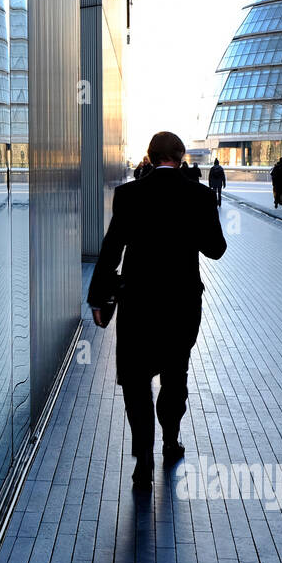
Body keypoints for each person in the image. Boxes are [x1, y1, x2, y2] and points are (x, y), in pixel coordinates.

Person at [87, 131, 227, 487]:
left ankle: (143, 457)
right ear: (180, 157)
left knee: (135, 380)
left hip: (139, 304)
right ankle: (170, 437)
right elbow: (216, 249)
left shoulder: (129, 195)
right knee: (175, 373)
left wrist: (99, 298)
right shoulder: (198, 195)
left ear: (149, 156)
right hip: (182, 305)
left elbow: (111, 249)